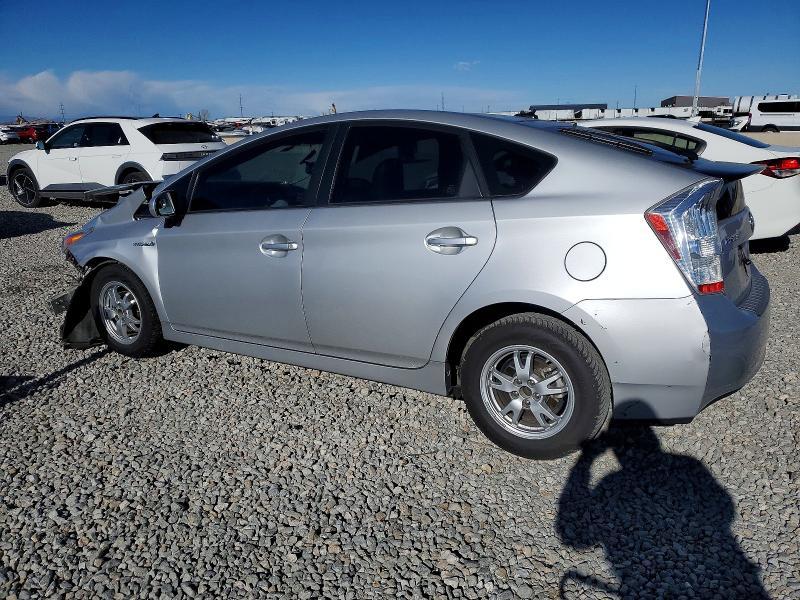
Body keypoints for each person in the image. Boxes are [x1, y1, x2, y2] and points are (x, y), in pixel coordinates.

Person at [556, 425, 769, 599]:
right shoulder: (688, 465)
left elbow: (576, 539)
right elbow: (726, 510)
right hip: (736, 570)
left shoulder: (611, 482)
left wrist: (586, 460)